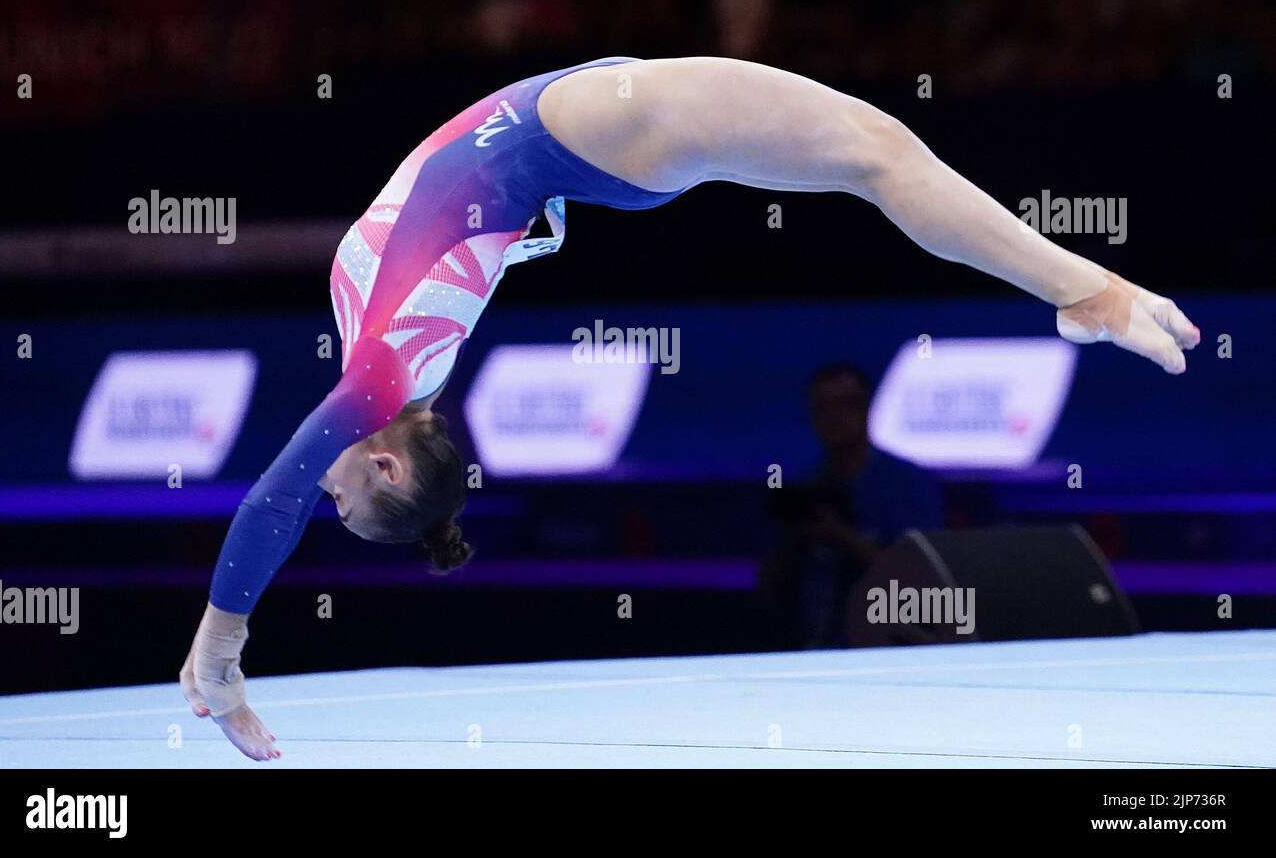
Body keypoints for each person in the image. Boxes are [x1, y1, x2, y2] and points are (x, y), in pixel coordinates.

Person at [179, 56, 1200, 760]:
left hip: (579, 130)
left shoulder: (382, 385)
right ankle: (1087, 291)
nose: (323, 494)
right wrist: (221, 653)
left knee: (880, 154)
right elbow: (282, 499)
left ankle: (1084, 291)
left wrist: (219, 651)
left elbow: (267, 504)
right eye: (340, 507)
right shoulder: (389, 383)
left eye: (342, 509)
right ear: (395, 464)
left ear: (393, 466)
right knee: (879, 155)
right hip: (593, 130)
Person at [761, 363, 943, 648]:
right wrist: (795, 538)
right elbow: (769, 586)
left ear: (869, 406)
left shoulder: (908, 484)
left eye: (848, 404)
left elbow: (927, 586)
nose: (836, 416)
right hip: (808, 650)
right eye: (824, 407)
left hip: (886, 649)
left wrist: (843, 537)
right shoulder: (804, 488)